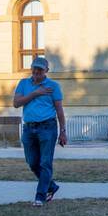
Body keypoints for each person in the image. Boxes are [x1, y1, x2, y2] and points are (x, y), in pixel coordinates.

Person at [12, 55, 67, 206]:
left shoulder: (53, 86)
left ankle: (40, 196)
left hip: (47, 128)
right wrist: (35, 93)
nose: (36, 72)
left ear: (46, 71)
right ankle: (52, 186)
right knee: (32, 162)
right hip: (29, 129)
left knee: (45, 163)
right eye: (34, 68)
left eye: (40, 70)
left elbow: (59, 110)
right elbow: (16, 103)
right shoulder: (23, 83)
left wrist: (63, 131)